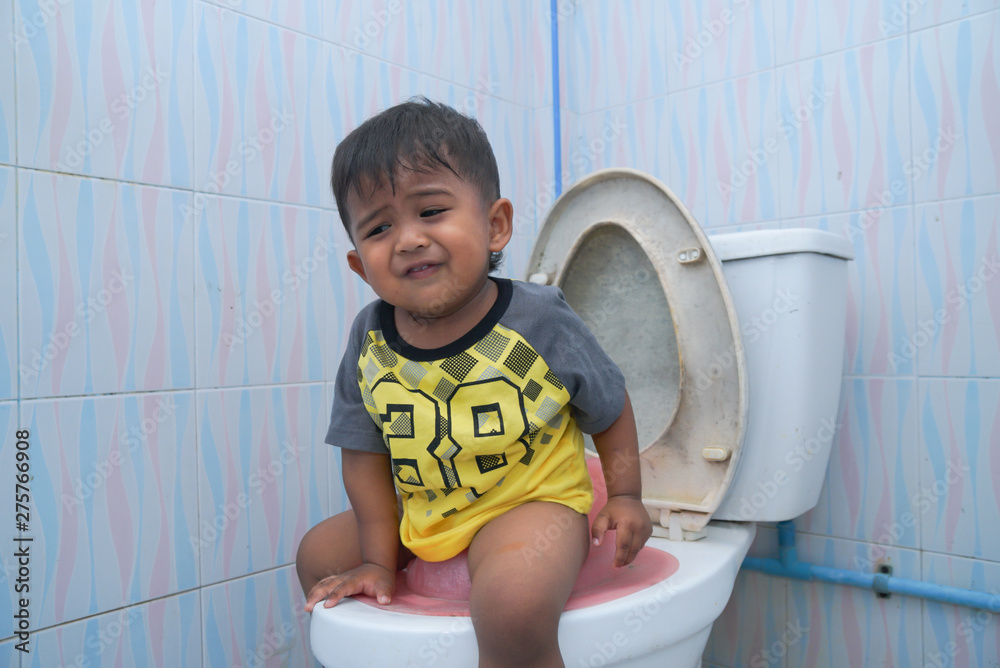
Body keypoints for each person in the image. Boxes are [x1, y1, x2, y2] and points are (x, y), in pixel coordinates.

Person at [296, 97, 652, 668]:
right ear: (361, 265)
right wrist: (377, 562)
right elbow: (362, 452)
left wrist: (628, 495)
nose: (408, 238)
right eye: (380, 227)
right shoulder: (369, 339)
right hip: (427, 508)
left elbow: (608, 406)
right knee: (318, 556)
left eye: (431, 211)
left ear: (495, 225)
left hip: (529, 501)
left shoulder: (539, 320)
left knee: (512, 605)